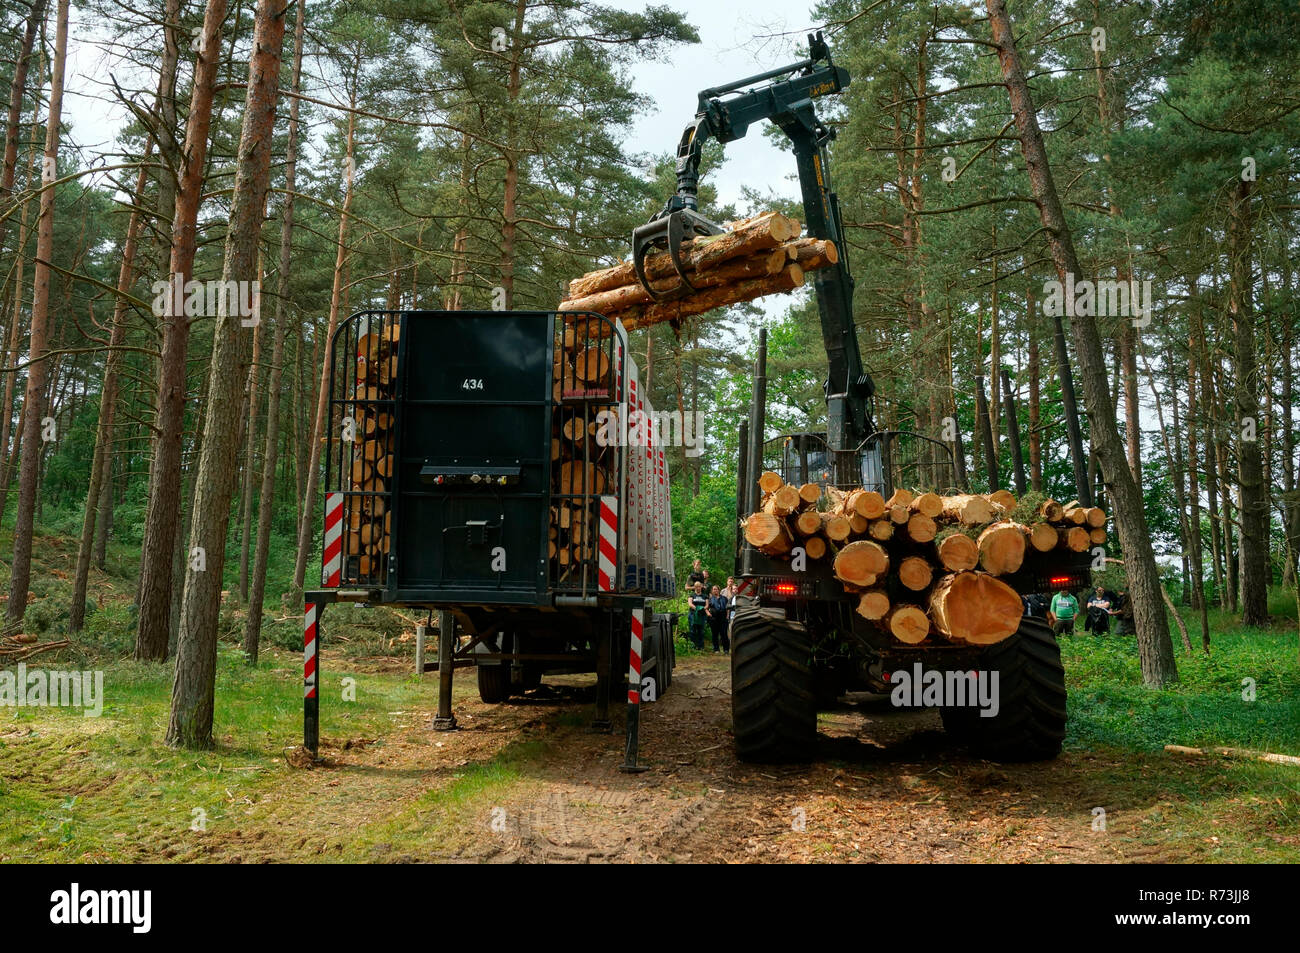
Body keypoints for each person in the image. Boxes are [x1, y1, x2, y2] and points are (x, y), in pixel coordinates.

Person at [706, 585, 730, 653]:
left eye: (716, 589)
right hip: (714, 618)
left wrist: (727, 616)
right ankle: (716, 649)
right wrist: (708, 613)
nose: (715, 590)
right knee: (715, 634)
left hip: (723, 617)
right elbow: (706, 608)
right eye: (714, 589)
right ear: (712, 591)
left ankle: (726, 649)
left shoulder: (724, 598)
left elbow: (727, 608)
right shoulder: (710, 599)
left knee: (724, 634)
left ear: (719, 590)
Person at [687, 581, 708, 650]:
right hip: (693, 614)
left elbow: (707, 605)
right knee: (693, 630)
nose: (698, 588)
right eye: (696, 587)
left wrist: (702, 609)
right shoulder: (691, 595)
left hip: (702, 615)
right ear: (695, 587)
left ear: (701, 587)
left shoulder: (705, 596)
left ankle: (701, 646)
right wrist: (697, 609)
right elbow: (690, 604)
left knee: (701, 630)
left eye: (699, 586)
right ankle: (693, 646)